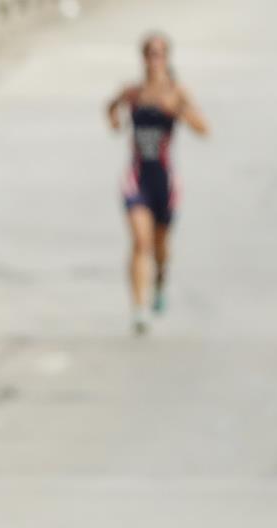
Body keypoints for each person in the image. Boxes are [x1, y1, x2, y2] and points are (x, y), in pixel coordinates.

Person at [105, 31, 209, 335]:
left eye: (160, 53)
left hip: (165, 180)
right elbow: (112, 116)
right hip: (137, 177)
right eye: (150, 53)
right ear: (143, 57)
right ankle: (139, 309)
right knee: (140, 242)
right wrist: (115, 109)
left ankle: (160, 280)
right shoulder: (134, 92)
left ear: (167, 57)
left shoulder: (177, 92)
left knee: (160, 248)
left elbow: (204, 128)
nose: (155, 59)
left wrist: (177, 110)